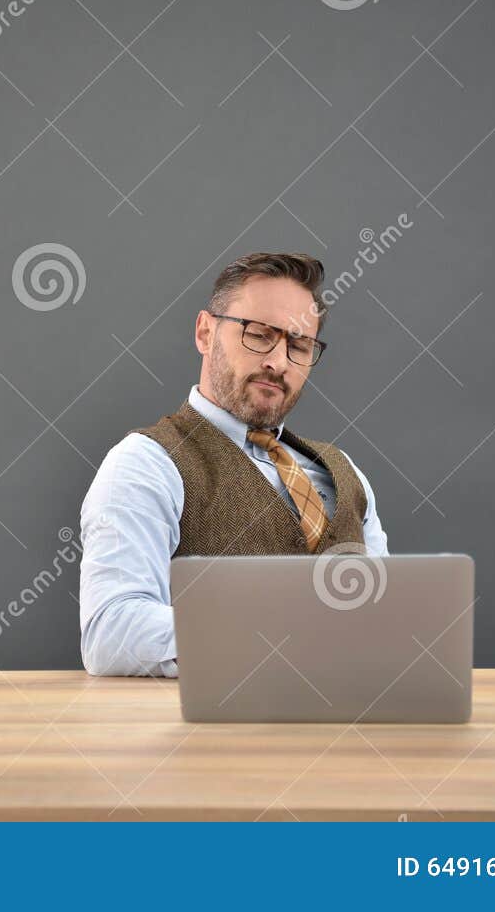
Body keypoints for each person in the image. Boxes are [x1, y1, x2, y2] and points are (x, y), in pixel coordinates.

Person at [78, 252, 389, 677]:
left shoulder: (345, 472)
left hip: (354, 733)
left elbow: (388, 620)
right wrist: (273, 633)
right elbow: (110, 635)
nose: (278, 362)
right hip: (217, 738)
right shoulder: (146, 464)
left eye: (298, 346)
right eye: (259, 335)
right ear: (205, 333)